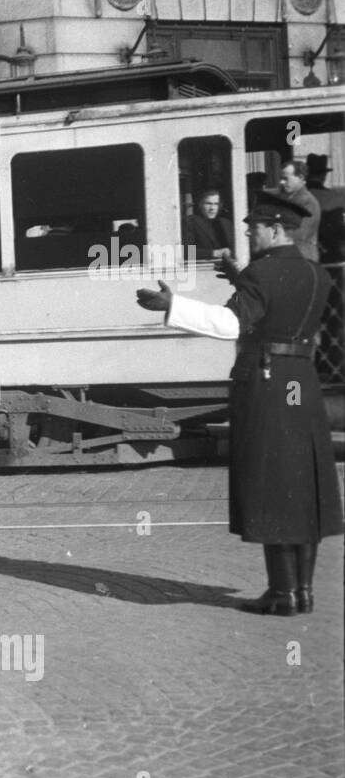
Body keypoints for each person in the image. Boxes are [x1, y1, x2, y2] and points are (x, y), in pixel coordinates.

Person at [135, 192, 342, 616]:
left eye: (254, 228)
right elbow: (282, 307)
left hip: (267, 384)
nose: (248, 233)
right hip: (301, 382)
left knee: (272, 484)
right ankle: (301, 593)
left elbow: (233, 323)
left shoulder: (261, 274)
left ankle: (281, 595)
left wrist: (172, 305)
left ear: (274, 229)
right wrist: (241, 277)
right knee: (300, 483)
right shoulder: (315, 272)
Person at [279, 160, 321, 261]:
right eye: (281, 178)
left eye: (285, 178)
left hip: (302, 258)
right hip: (288, 256)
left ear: (301, 178)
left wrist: (273, 234)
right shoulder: (284, 198)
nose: (281, 182)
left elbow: (301, 233)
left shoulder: (308, 202)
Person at [182, 189, 234, 259]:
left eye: (216, 204)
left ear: (220, 206)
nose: (212, 208)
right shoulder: (190, 222)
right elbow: (186, 252)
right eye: (208, 203)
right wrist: (214, 253)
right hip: (203, 267)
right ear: (200, 204)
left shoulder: (226, 223)